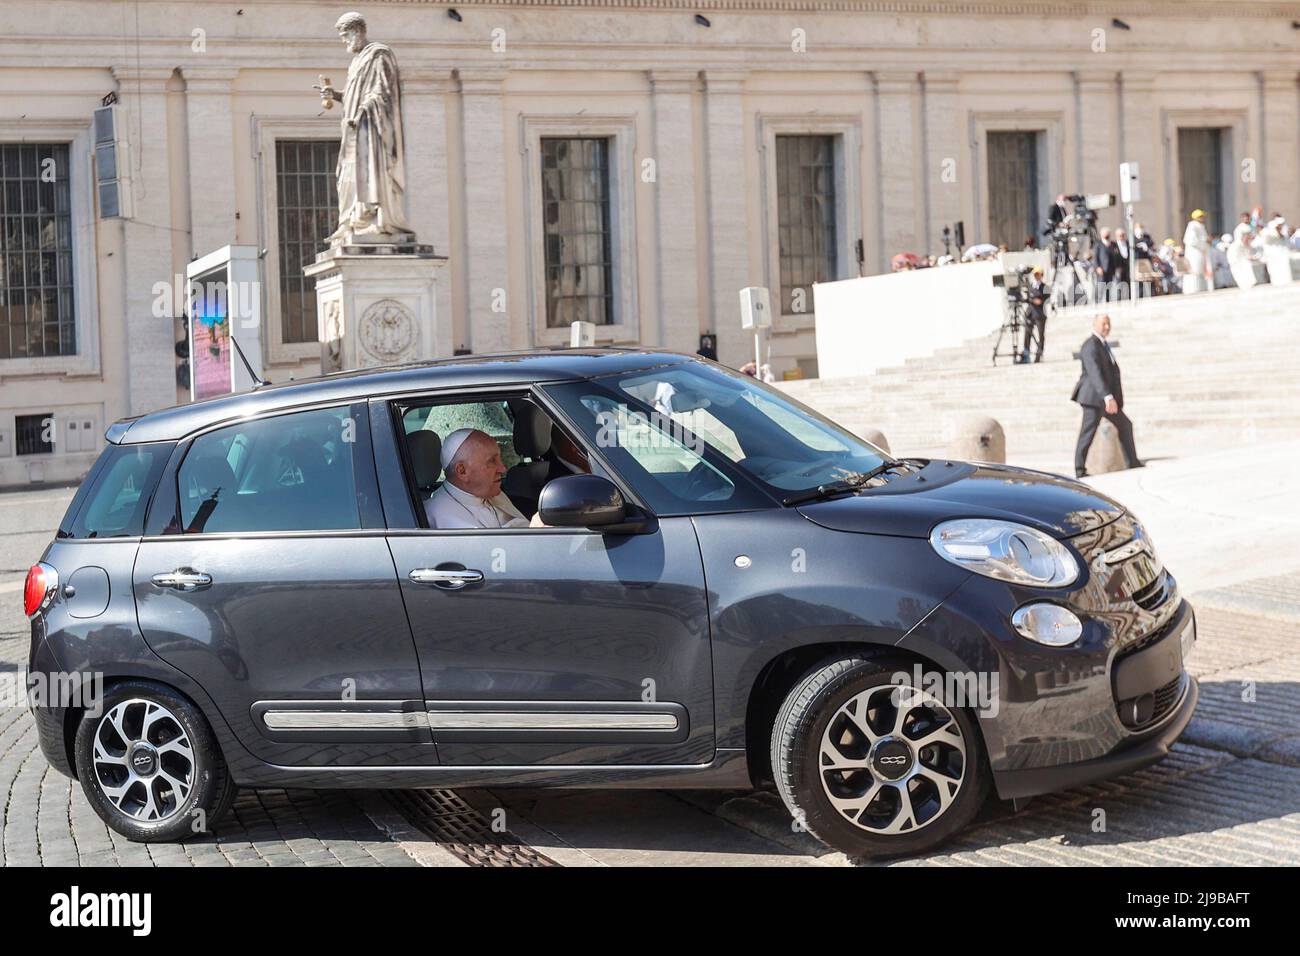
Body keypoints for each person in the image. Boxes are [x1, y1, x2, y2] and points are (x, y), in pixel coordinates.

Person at [425, 428, 546, 529]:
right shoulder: (438, 517)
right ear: (462, 471)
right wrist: (535, 533)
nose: (503, 468)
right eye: (492, 461)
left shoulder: (491, 493)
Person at [1071, 313, 1142, 478]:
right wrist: (1107, 396)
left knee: (1125, 424)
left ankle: (1133, 461)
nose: (1107, 327)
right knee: (1087, 433)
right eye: (1103, 323)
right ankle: (1079, 469)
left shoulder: (1103, 344)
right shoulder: (1090, 346)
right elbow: (1095, 373)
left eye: (1108, 323)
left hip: (1105, 399)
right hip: (1094, 398)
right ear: (1095, 324)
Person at [1020, 266, 1048, 364]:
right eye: (1035, 274)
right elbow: (1028, 299)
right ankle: (1026, 353)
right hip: (1030, 313)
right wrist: (1031, 300)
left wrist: (1035, 300)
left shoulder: (1045, 287)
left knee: (1041, 335)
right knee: (1027, 333)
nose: (1036, 276)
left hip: (1040, 314)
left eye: (1038, 274)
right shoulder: (1030, 286)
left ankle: (1039, 355)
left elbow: (1042, 300)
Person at [1182, 209, 1211, 293]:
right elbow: (1192, 240)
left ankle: (1201, 288)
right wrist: (1205, 241)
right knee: (1194, 270)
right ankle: (1193, 289)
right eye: (1200, 216)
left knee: (1201, 270)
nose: (1202, 218)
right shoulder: (1192, 226)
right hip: (1194, 253)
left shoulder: (1201, 226)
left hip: (1200, 252)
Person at [1227, 216, 1259, 290]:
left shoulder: (1247, 245)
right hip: (1238, 267)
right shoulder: (1235, 246)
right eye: (1247, 236)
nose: (1249, 238)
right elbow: (1234, 260)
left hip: (1244, 265)